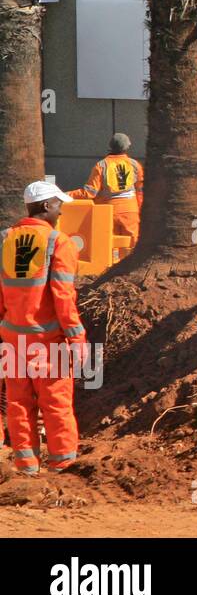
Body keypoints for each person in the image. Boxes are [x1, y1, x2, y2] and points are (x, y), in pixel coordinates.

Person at [0, 182, 88, 475]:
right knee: (56, 403)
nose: (61, 210)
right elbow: (63, 296)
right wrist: (77, 338)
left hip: (13, 338)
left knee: (18, 403)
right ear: (46, 206)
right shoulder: (58, 242)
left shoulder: (5, 240)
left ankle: (26, 466)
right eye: (58, 204)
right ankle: (62, 463)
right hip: (48, 341)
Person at [71, 132, 144, 245]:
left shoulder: (101, 165)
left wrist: (65, 195)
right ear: (127, 147)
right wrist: (139, 209)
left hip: (108, 211)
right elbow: (140, 191)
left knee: (108, 247)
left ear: (110, 147)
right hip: (131, 212)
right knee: (131, 246)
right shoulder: (135, 165)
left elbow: (89, 193)